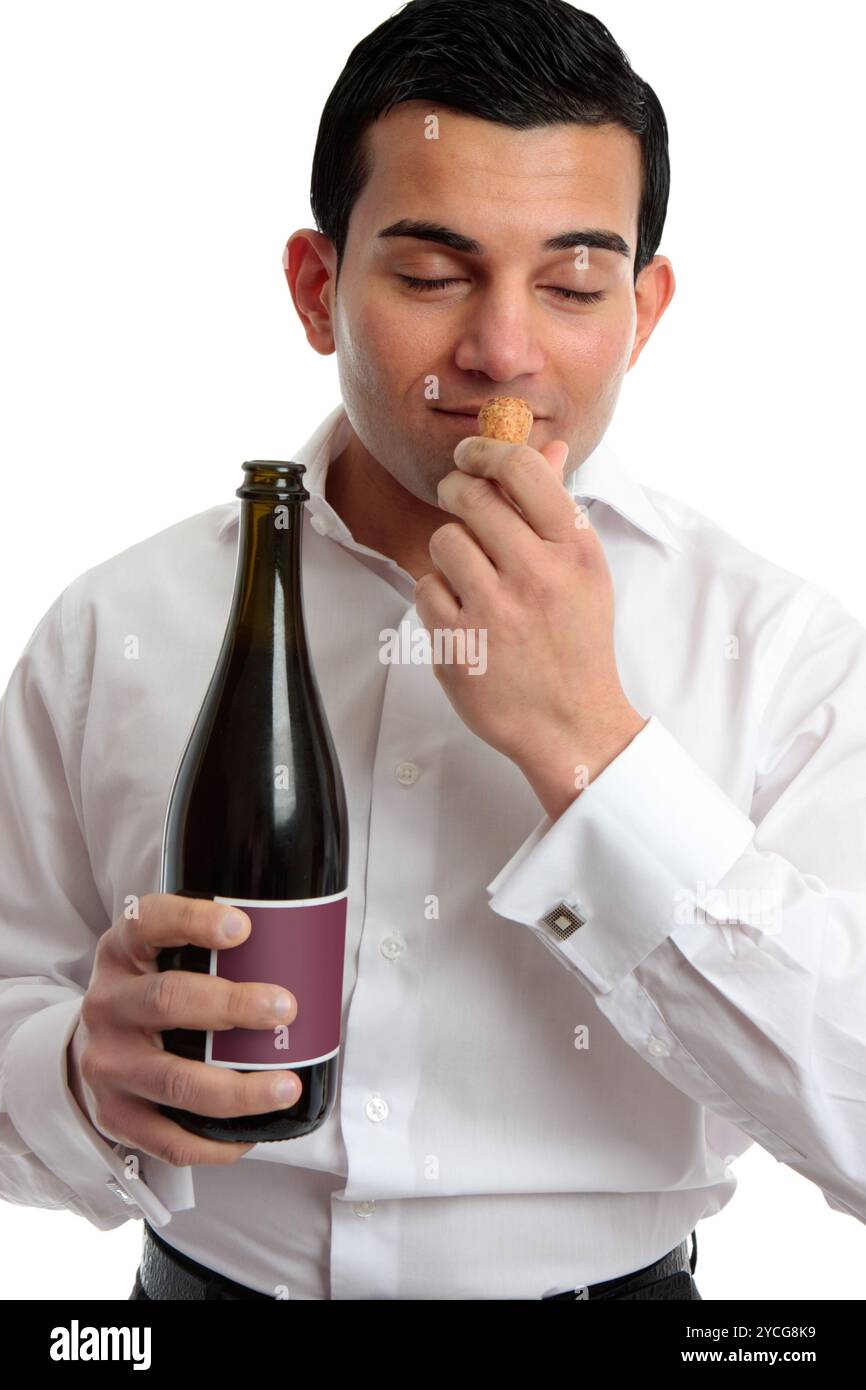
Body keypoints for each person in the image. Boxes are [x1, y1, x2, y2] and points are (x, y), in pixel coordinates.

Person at [1, 0, 864, 1303]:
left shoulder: (780, 647)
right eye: (428, 275)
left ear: (642, 311)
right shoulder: (111, 626)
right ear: (317, 289)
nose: (501, 352)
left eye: (572, 286)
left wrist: (588, 747)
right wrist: (74, 1073)